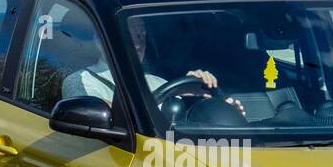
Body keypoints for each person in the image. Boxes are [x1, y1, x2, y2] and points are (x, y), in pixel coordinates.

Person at [63, 15, 231, 107]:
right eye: (128, 35)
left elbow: (181, 126)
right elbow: (99, 113)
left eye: (141, 34)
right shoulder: (82, 80)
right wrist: (169, 95)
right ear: (100, 42)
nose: (137, 44)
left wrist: (218, 109)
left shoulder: (159, 83)